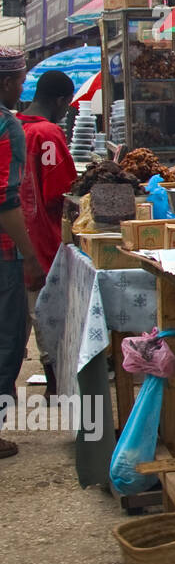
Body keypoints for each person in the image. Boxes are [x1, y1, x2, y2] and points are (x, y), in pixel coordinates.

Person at [17, 70, 76, 396]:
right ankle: (56, 381)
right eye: (67, 104)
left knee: (17, 325)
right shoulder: (48, 134)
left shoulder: (15, 128)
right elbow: (61, 192)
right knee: (49, 316)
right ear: (59, 100)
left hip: (15, 240)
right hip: (42, 241)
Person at [0, 48, 42, 461]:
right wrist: (29, 255)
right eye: (19, 80)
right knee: (7, 340)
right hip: (2, 253)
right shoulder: (7, 125)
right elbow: (5, 200)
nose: (22, 87)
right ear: (10, 82)